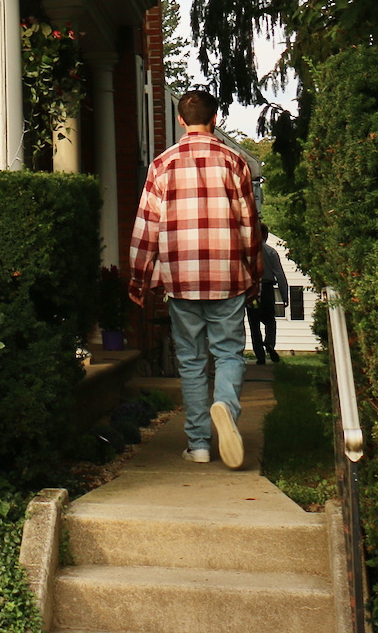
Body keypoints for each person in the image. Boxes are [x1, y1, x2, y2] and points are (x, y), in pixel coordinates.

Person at [126, 89, 264, 469]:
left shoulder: (162, 165)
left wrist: (139, 280)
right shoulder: (234, 162)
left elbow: (146, 227)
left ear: (182, 121)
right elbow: (249, 225)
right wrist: (254, 272)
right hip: (227, 277)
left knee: (190, 360)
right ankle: (226, 407)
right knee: (230, 353)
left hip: (181, 279)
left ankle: (200, 444)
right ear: (215, 119)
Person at [248, 165, 288, 365]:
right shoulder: (271, 252)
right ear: (265, 235)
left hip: (253, 289)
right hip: (267, 288)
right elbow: (279, 274)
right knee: (269, 320)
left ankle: (260, 356)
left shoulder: (248, 251)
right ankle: (270, 342)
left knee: (254, 323)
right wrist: (285, 295)